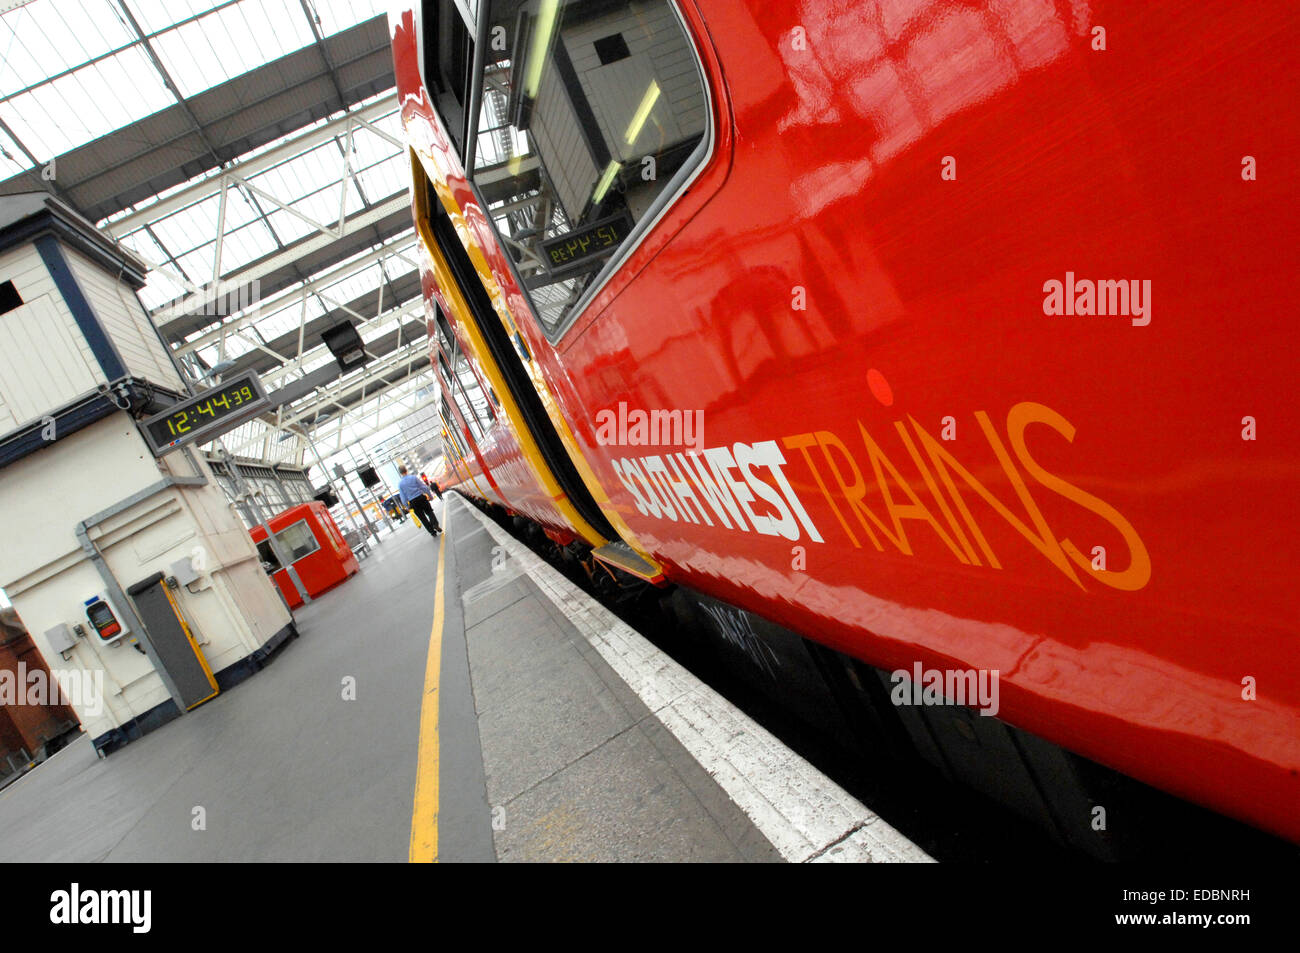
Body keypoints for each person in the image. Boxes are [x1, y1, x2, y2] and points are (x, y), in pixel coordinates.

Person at [397, 465, 441, 537]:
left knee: (423, 519)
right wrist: (430, 496)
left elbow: (403, 497)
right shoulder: (413, 477)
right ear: (406, 470)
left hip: (413, 502)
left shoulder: (400, 484)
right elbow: (424, 487)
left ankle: (432, 532)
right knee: (430, 512)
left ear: (400, 473)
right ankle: (435, 524)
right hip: (421, 498)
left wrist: (407, 506)